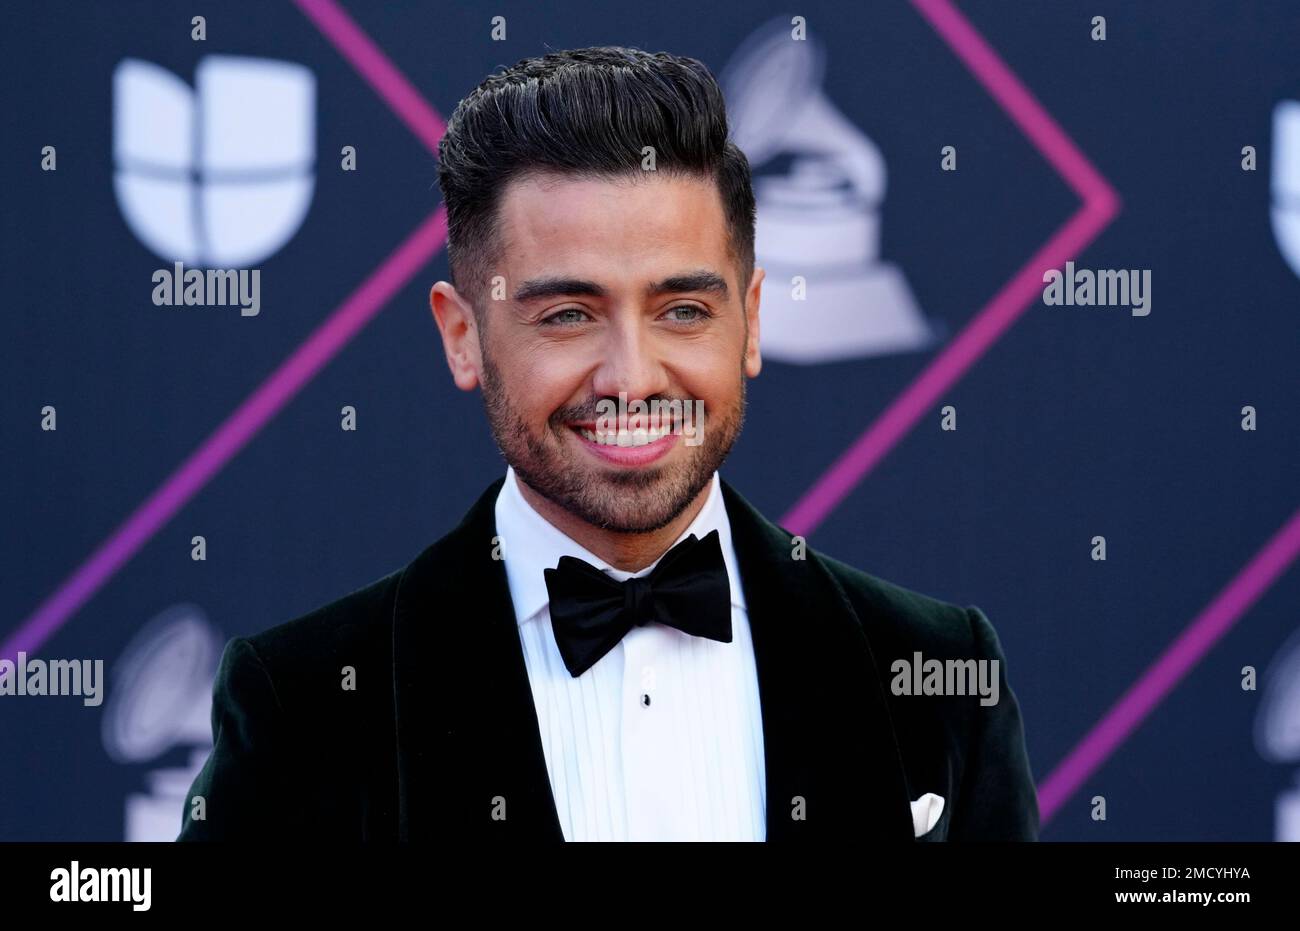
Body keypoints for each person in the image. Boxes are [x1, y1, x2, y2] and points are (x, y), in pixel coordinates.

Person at [177, 46, 1038, 842]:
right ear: (462, 335)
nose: (632, 377)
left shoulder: (936, 674)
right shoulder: (304, 704)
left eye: (684, 311)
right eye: (568, 315)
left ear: (751, 321)